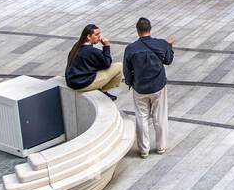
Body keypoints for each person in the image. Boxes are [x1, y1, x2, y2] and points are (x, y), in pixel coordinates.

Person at [122, 16, 175, 158]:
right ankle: (161, 146)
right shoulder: (161, 44)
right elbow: (168, 60)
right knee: (160, 116)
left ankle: (144, 150)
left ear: (137, 31)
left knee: (141, 117)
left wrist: (130, 83)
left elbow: (127, 70)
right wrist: (169, 46)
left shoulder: (131, 49)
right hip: (158, 86)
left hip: (140, 88)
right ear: (150, 29)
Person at [65, 23, 122, 99]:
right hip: (83, 84)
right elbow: (107, 63)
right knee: (119, 66)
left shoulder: (77, 45)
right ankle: (104, 91)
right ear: (88, 36)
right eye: (96, 34)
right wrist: (106, 46)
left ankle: (100, 89)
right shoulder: (92, 51)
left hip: (72, 81)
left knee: (99, 66)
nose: (99, 37)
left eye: (99, 34)